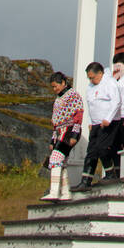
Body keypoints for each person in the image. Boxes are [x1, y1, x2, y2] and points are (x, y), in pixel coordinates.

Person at [73, 62, 122, 192]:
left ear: (100, 73)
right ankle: (86, 180)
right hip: (95, 124)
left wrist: (108, 118)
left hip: (108, 122)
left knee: (101, 148)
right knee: (92, 152)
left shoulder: (109, 83)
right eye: (89, 78)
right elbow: (91, 105)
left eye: (92, 77)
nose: (91, 80)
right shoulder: (90, 87)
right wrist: (90, 121)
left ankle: (110, 173)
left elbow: (116, 101)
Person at [41, 72, 83, 201]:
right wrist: (53, 140)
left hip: (69, 131)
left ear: (63, 83)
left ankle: (54, 192)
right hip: (60, 132)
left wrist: (74, 135)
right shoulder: (58, 100)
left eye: (56, 86)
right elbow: (56, 123)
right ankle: (65, 192)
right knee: (61, 162)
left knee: (55, 158)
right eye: (52, 87)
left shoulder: (73, 96)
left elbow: (78, 116)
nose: (55, 89)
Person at [111, 51, 124, 170]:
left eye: (119, 66)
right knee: (114, 143)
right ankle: (117, 170)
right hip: (117, 116)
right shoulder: (118, 78)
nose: (117, 69)